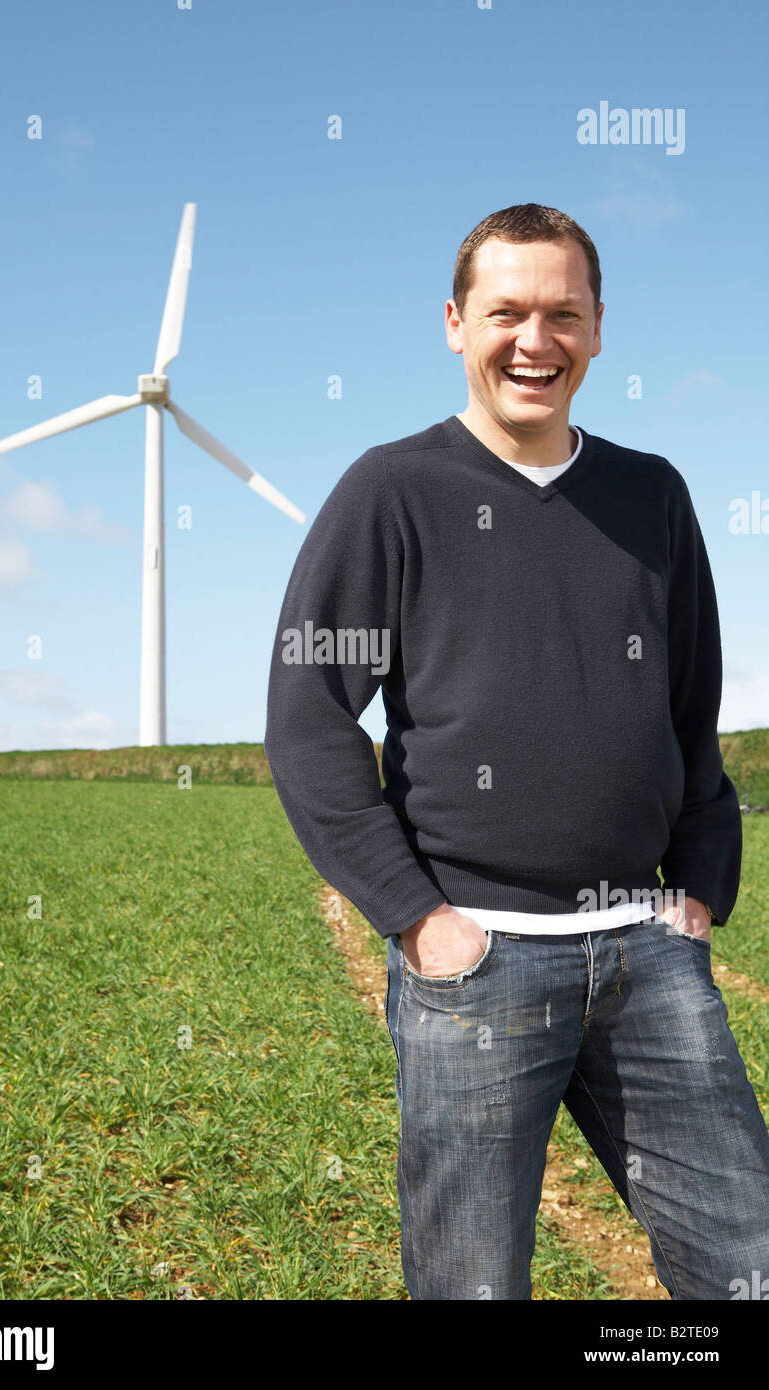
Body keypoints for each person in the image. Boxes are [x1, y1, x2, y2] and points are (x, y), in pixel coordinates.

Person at [263, 203, 769, 1300]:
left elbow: (691, 712)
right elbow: (307, 714)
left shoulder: (652, 496)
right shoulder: (390, 493)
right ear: (454, 323)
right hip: (476, 964)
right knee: (471, 1287)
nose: (531, 341)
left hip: (645, 952)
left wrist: (697, 894)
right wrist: (414, 914)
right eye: (504, 313)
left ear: (596, 332)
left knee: (748, 1266)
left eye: (560, 314)